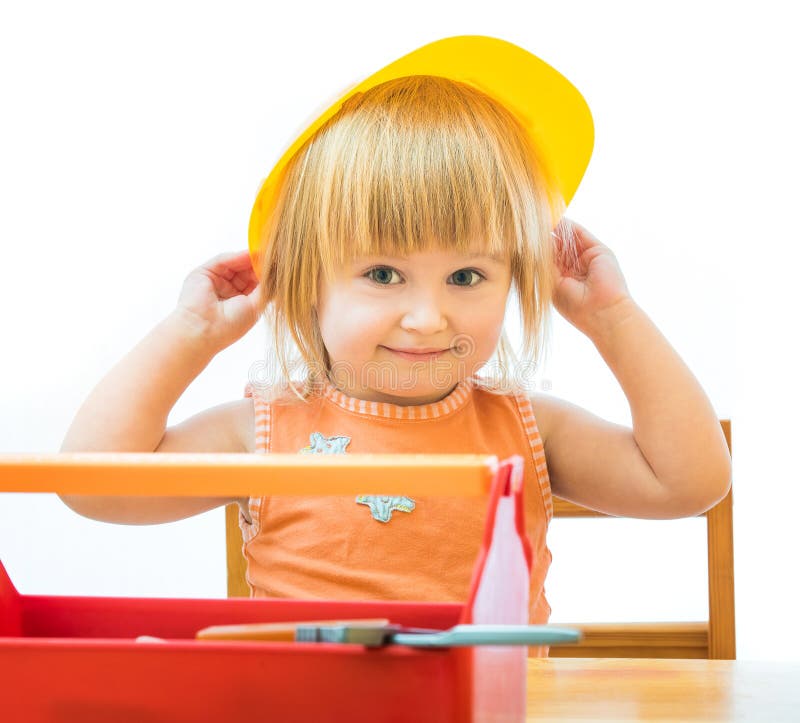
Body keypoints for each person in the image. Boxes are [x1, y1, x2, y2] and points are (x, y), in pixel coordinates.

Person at [59, 37, 731, 647]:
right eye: (382, 274)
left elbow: (690, 482)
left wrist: (614, 319)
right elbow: (90, 484)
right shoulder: (263, 431)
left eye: (467, 275)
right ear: (306, 280)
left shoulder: (527, 427)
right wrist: (190, 334)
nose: (427, 318)